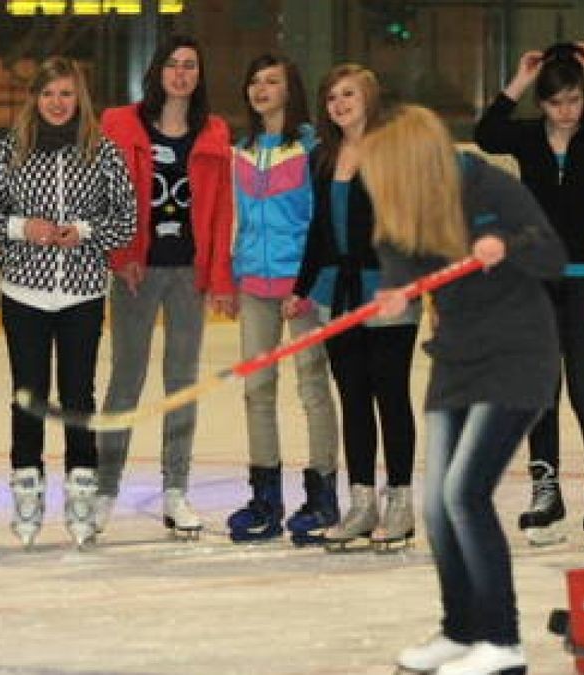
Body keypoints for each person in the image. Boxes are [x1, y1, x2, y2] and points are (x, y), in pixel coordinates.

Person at [366, 105, 563, 675]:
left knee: (464, 493)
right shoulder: (404, 204)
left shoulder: (488, 184)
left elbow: (551, 253)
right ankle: (462, 629)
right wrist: (396, 293)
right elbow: (399, 265)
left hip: (517, 354)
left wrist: (507, 245)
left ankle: (503, 643)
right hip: (456, 357)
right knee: (436, 503)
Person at [474, 40, 584, 548]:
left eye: (573, 99)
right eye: (555, 103)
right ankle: (545, 490)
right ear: (541, 105)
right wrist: (520, 79)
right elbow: (485, 133)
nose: (566, 111)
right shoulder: (525, 139)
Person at [0, 57, 136, 549]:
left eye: (65, 94)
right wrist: (26, 228)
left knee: (79, 396)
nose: (57, 104)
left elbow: (125, 220)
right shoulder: (12, 150)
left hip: (82, 293)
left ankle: (82, 489)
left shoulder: (101, 151)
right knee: (30, 395)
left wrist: (81, 230)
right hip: (24, 292)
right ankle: (27, 487)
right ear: (34, 100)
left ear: (78, 98)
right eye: (48, 95)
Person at [96, 35, 235, 539]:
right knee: (125, 379)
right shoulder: (119, 123)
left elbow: (221, 212)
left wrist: (219, 277)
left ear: (200, 75)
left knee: (182, 381)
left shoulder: (215, 131)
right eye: (173, 65)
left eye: (190, 66)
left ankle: (176, 489)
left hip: (187, 274)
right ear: (157, 71)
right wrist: (122, 254)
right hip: (137, 271)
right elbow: (105, 195)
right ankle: (105, 489)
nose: (181, 74)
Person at [289, 64, 419, 552]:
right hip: (337, 292)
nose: (339, 104)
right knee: (353, 397)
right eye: (331, 98)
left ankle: (400, 502)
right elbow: (319, 231)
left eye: (348, 95)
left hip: (388, 288)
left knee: (390, 393)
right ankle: (362, 502)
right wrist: (302, 288)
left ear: (369, 97)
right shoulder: (321, 157)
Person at [225, 54, 341, 545]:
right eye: (254, 81)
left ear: (290, 89)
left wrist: (309, 285)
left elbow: (322, 222)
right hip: (254, 285)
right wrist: (233, 273)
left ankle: (322, 495)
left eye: (271, 82)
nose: (260, 89)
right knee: (257, 391)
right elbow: (243, 221)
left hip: (302, 288)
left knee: (313, 386)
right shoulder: (243, 149)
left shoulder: (313, 147)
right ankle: (265, 496)